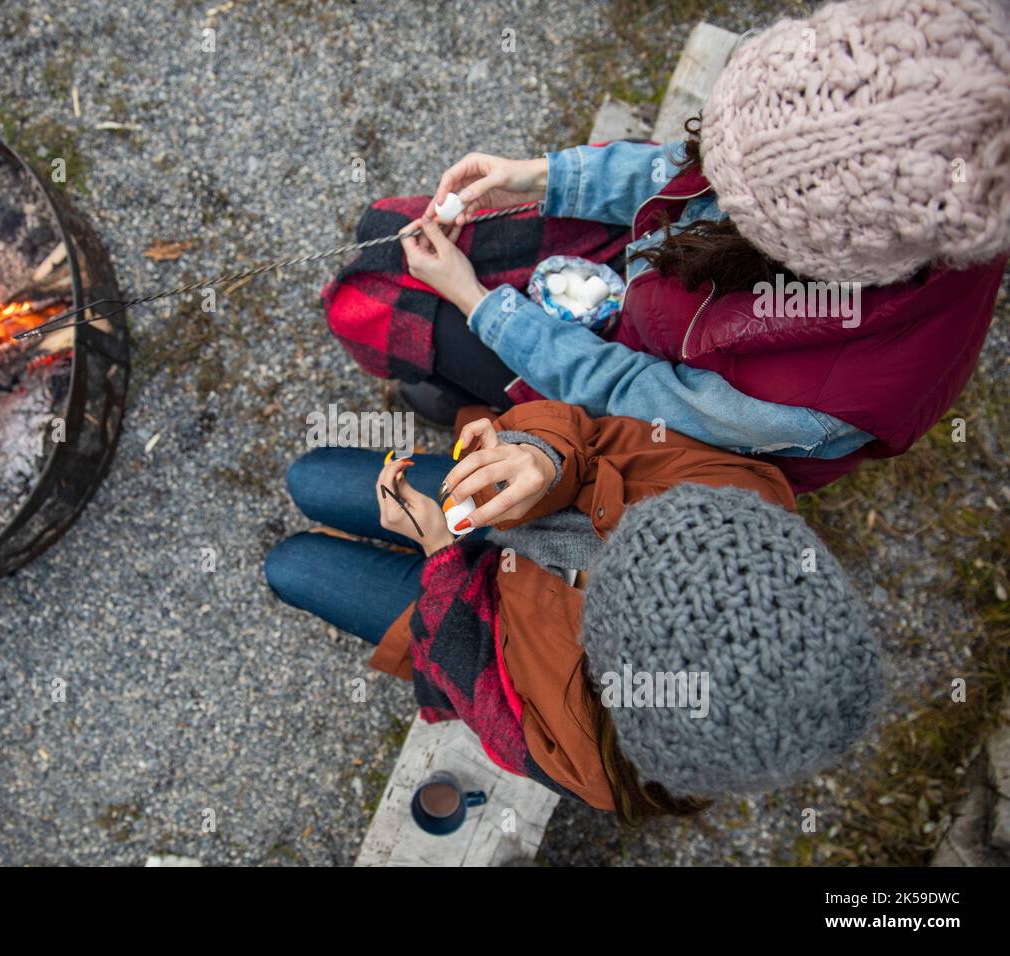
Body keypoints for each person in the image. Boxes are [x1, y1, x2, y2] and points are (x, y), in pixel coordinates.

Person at [324, 0, 1010, 492]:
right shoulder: (919, 183)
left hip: (642, 409)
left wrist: (479, 303)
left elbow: (627, 393)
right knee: (381, 229)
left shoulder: (808, 401)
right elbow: (682, 174)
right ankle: (455, 382)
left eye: (730, 188)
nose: (703, 169)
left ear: (798, 257)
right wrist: (545, 176)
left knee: (386, 306)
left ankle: (459, 394)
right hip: (661, 303)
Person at [265, 402, 881, 820]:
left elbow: (481, 697)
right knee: (309, 478)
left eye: (601, 580)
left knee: (290, 567)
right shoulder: (744, 496)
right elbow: (606, 439)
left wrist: (442, 560)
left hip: (465, 606)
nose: (605, 545)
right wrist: (541, 458)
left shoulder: (596, 760)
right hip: (508, 518)